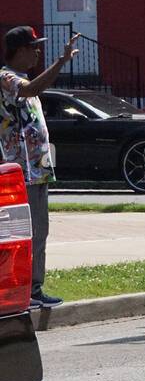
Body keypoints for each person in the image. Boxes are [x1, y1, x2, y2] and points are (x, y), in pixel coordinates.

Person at [0, 26, 79, 308]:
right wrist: (62, 60)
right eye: (33, 47)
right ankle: (23, 290)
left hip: (37, 170)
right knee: (23, 234)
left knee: (39, 232)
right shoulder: (6, 78)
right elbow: (31, 89)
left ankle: (34, 288)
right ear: (18, 50)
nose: (37, 52)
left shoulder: (23, 79)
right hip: (21, 172)